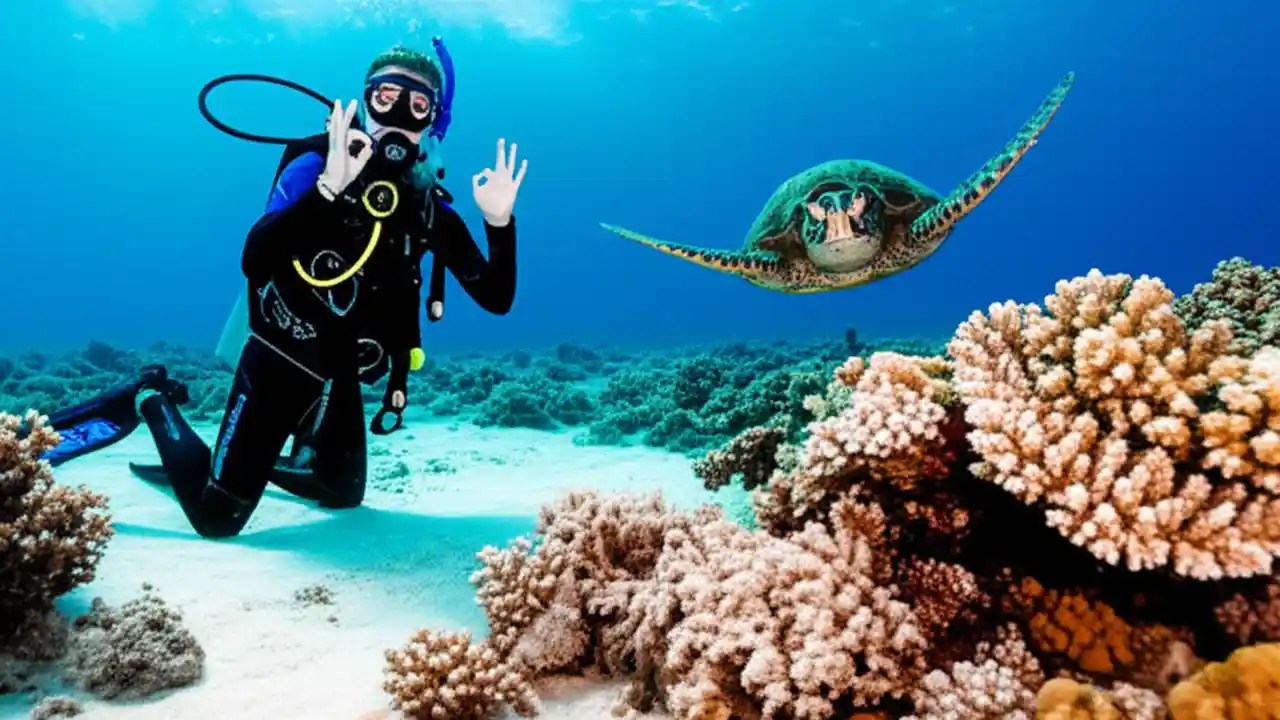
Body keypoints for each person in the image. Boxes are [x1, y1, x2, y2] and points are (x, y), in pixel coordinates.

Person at [42, 43, 528, 539]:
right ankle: (152, 397)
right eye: (386, 97)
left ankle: (242, 462)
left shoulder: (426, 208)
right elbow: (255, 259)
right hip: (280, 358)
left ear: (432, 123)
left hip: (339, 372)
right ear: (363, 103)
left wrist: (499, 220)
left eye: (418, 106)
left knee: (341, 492)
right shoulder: (315, 165)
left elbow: (496, 297)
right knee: (217, 517)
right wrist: (328, 190)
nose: (400, 115)